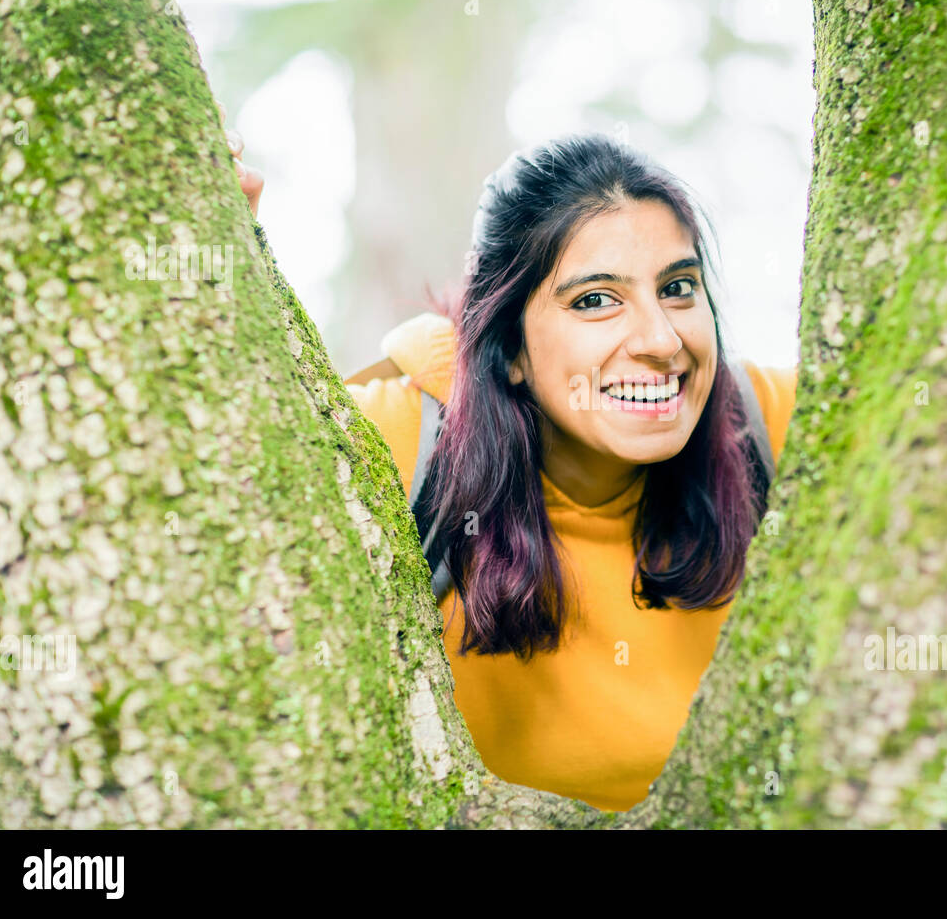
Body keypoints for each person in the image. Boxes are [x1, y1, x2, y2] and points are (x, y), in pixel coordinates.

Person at [228, 120, 797, 811]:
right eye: (595, 300)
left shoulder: (770, 423)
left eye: (678, 287)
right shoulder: (399, 442)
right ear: (510, 348)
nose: (660, 338)